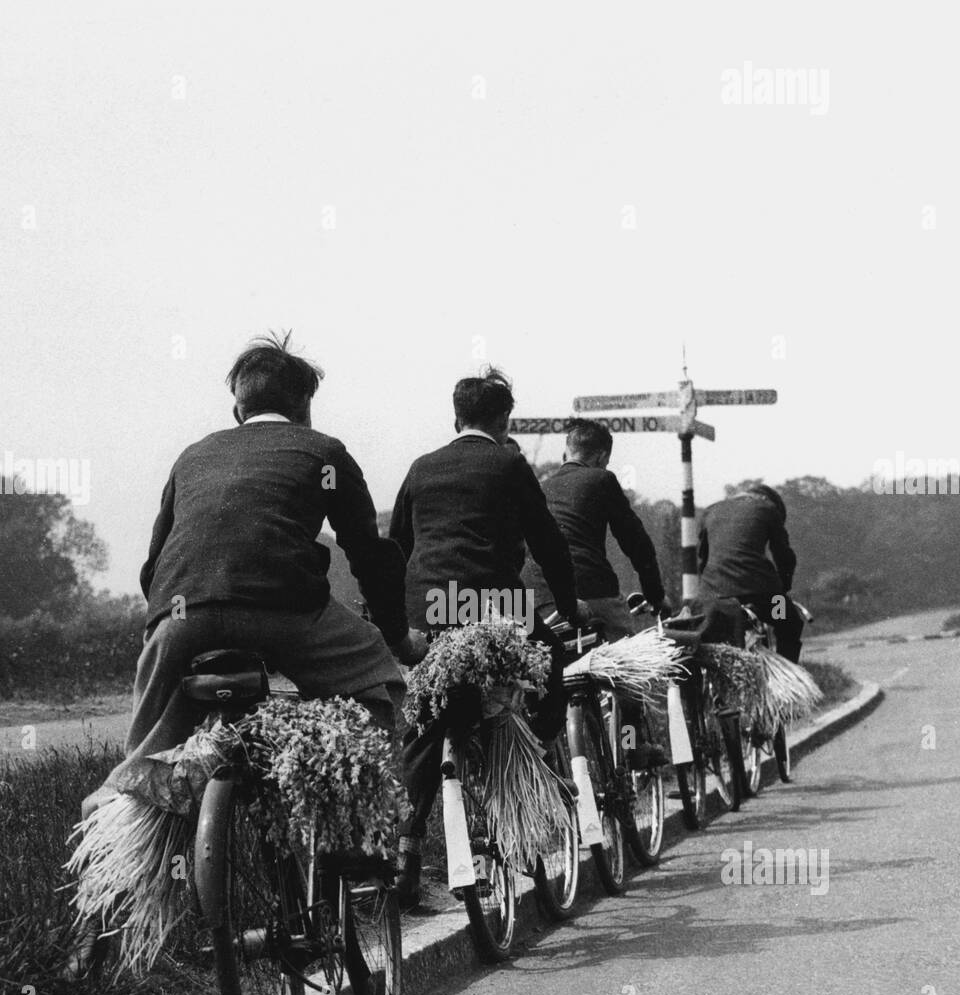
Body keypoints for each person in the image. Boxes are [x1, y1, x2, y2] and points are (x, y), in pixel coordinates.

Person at [104, 331, 424, 796]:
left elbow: (154, 566)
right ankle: (355, 829)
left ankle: (122, 817)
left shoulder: (192, 456)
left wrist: (161, 632)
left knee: (145, 758)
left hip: (181, 615)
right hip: (285, 610)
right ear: (305, 408)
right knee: (377, 687)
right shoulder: (324, 452)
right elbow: (369, 557)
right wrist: (397, 637)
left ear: (238, 409)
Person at [389, 366, 590, 909]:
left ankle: (405, 856)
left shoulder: (421, 467)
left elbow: (397, 547)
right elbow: (548, 543)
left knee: (425, 724)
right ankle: (540, 760)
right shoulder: (509, 463)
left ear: (455, 417)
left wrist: (397, 615)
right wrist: (567, 611)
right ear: (504, 421)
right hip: (498, 607)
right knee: (549, 664)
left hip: (429, 610)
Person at [522, 419, 671, 640]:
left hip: (540, 596)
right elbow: (637, 544)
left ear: (567, 452)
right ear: (602, 457)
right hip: (592, 590)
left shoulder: (540, 487)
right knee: (628, 658)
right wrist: (656, 595)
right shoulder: (602, 478)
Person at [697, 483, 803, 661]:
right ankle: (787, 675)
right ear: (767, 499)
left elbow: (703, 559)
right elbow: (784, 557)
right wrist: (783, 589)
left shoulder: (710, 511)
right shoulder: (768, 508)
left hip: (714, 596)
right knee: (790, 624)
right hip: (763, 595)